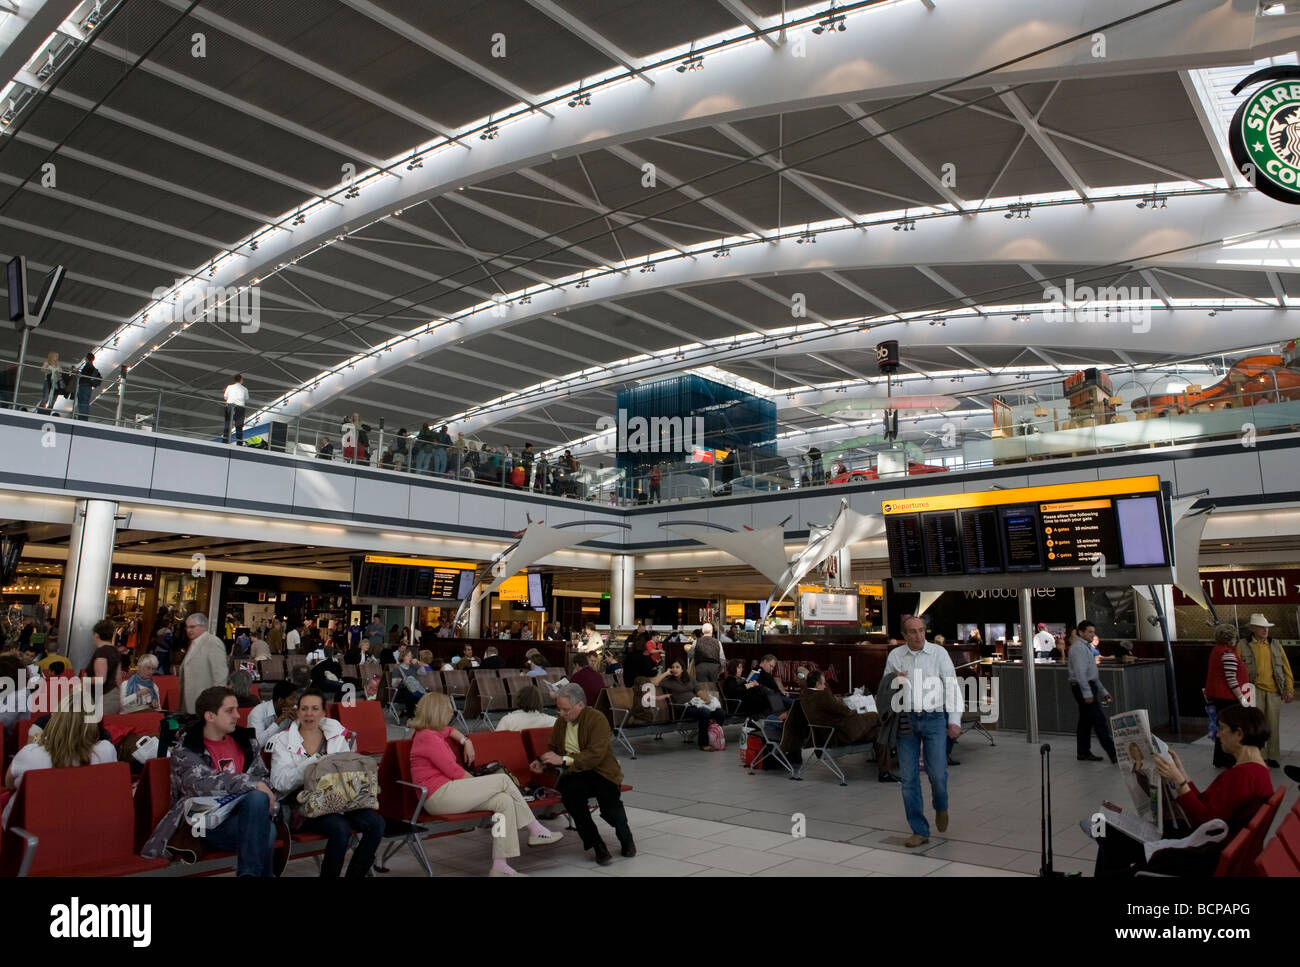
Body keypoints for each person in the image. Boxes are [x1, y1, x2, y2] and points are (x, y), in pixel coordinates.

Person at [1092, 705, 1274, 877]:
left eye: (1222, 728)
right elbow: (1207, 805)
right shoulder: (1256, 771)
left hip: (1200, 854)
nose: (1218, 735)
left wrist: (1178, 781)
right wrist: (1182, 775)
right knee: (1109, 834)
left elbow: (1202, 821)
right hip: (1214, 847)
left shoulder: (1242, 776)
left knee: (1108, 835)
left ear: (1239, 734)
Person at [410, 693, 562, 875]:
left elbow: (450, 731)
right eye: (448, 710)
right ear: (437, 712)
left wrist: (466, 741)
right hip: (438, 796)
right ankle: (535, 828)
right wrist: (482, 785)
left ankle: (500, 865)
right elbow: (456, 773)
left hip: (450, 791)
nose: (451, 713)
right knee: (502, 780)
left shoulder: (432, 731)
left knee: (504, 801)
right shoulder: (428, 738)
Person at [142, 687, 278, 876]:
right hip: (202, 823)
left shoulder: (246, 742)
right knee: (264, 823)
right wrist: (251, 784)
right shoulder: (187, 748)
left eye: (237, 709)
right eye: (229, 711)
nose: (238, 715)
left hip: (243, 817)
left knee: (262, 816)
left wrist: (256, 786)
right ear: (210, 716)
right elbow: (199, 785)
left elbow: (262, 778)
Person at [269, 689, 384, 878]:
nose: (309, 714)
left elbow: (349, 770)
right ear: (298, 712)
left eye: (315, 708)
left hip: (341, 798)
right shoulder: (282, 741)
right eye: (304, 708)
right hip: (304, 802)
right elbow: (279, 783)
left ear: (324, 712)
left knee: (376, 823)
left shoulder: (336, 735)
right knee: (341, 829)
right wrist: (313, 765)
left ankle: (356, 874)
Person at [530, 683, 633, 865]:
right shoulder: (562, 722)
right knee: (572, 797)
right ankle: (596, 844)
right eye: (559, 709)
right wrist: (543, 763)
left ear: (580, 705)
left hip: (601, 771)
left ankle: (625, 836)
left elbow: (596, 755)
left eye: (566, 710)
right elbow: (554, 749)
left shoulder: (597, 719)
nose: (561, 714)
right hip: (576, 773)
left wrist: (563, 760)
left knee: (609, 800)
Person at [883, 616, 964, 848]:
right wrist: (894, 681)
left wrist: (954, 720)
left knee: (937, 773)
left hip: (934, 718)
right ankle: (919, 830)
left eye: (921, 631)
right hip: (905, 720)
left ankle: (941, 806)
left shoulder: (938, 654)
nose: (918, 636)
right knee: (908, 779)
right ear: (904, 635)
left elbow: (951, 687)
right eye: (913, 632)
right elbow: (885, 687)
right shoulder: (896, 657)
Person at [3, 681, 115, 825]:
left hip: (32, 831)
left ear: (55, 718)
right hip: (85, 826)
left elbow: (9, 784)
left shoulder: (30, 755)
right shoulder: (106, 750)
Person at [800, 669, 893, 778]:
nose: (825, 686)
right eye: (824, 683)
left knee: (879, 733)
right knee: (874, 715)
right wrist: (855, 708)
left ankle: (885, 773)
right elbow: (845, 711)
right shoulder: (821, 695)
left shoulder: (805, 695)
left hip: (826, 734)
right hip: (839, 734)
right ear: (817, 684)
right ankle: (886, 770)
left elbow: (833, 708)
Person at [1238, 614, 1293, 769]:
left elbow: (1286, 668)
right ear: (1252, 628)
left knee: (1273, 725)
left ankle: (1273, 756)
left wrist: (1289, 688)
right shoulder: (1243, 645)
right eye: (1261, 627)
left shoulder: (1275, 644)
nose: (1265, 630)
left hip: (1274, 691)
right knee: (1256, 726)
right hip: (1253, 691)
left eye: (1267, 627)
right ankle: (1259, 756)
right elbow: (1238, 670)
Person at [1068, 620, 1116, 764]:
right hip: (1083, 687)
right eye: (1089, 632)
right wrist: (1087, 693)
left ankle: (1083, 752)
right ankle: (1113, 753)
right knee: (1098, 719)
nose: (1092, 635)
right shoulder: (1078, 648)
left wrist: (1103, 691)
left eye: (1093, 632)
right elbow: (1081, 673)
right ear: (1081, 632)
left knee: (1086, 720)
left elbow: (1092, 674)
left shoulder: (1086, 647)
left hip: (1087, 686)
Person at [1205, 624, 1251, 769]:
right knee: (1230, 729)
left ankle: (1219, 759)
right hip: (1228, 698)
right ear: (1232, 638)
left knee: (1222, 727)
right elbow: (1231, 679)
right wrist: (1242, 698)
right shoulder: (1228, 654)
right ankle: (1228, 760)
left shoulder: (1216, 651)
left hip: (1219, 697)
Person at [655, 659, 725, 751]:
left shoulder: (690, 679)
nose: (674, 669)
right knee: (704, 713)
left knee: (720, 712)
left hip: (695, 704)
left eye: (677, 667)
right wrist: (666, 673)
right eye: (672, 667)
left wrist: (706, 698)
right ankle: (704, 744)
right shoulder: (669, 681)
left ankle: (715, 737)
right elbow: (654, 682)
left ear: (682, 669)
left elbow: (698, 691)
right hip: (682, 708)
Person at [179, 613, 229, 714]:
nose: (188, 630)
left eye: (192, 627)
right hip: (189, 703)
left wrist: (215, 702)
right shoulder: (194, 643)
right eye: (187, 627)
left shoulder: (213, 642)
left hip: (204, 704)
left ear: (204, 627)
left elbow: (220, 675)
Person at [250, 680, 298, 747]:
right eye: (292, 699)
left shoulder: (294, 709)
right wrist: (279, 720)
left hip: (283, 750)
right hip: (260, 754)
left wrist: (297, 722)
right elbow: (258, 744)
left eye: (296, 698)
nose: (295, 702)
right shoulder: (258, 712)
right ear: (280, 701)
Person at [222, 374, 248, 445]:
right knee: (239, 426)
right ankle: (239, 443)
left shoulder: (229, 387)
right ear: (241, 380)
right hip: (240, 407)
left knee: (227, 424)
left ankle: (225, 441)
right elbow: (246, 398)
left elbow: (225, 397)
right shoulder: (245, 389)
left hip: (230, 406)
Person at [75, 352, 100, 421]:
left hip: (84, 386)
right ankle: (84, 418)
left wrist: (77, 372)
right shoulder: (92, 366)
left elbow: (84, 376)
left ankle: (82, 418)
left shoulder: (88, 366)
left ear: (86, 358)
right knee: (85, 402)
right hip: (88, 387)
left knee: (82, 402)